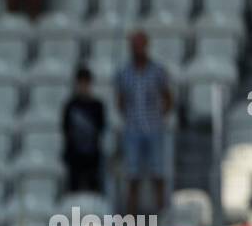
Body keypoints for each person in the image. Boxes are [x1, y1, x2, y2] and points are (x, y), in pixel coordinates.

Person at [115, 30, 173, 216]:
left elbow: (168, 97)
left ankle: (163, 217)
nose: (136, 49)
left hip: (154, 128)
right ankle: (131, 219)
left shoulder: (157, 71)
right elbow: (121, 101)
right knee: (132, 176)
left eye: (139, 45)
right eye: (134, 46)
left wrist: (160, 116)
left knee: (158, 174)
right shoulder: (124, 73)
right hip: (132, 129)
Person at [63, 66, 107, 194]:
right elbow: (66, 129)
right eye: (80, 82)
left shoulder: (97, 106)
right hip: (74, 155)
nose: (83, 86)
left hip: (92, 155)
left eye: (85, 82)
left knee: (93, 190)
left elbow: (101, 128)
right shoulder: (70, 105)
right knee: (74, 191)